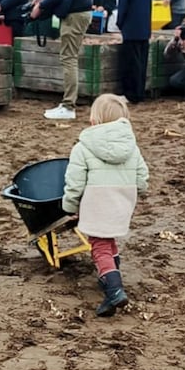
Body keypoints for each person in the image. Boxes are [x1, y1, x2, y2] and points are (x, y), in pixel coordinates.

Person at [61, 94, 150, 317]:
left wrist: (69, 206)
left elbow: (75, 183)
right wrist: (133, 194)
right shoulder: (132, 147)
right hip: (122, 201)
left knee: (99, 243)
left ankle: (114, 290)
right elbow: (142, 179)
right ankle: (110, 272)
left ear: (93, 121)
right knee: (108, 238)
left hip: (97, 202)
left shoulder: (83, 147)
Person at [26, 0, 94, 120]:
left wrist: (39, 8)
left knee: (68, 58)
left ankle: (68, 106)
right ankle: (68, 104)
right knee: (69, 57)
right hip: (77, 11)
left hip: (75, 13)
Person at [116, 0, 153, 103]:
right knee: (141, 64)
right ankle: (139, 93)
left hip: (130, 31)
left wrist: (120, 25)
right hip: (144, 31)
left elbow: (122, 10)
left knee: (130, 64)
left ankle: (130, 94)